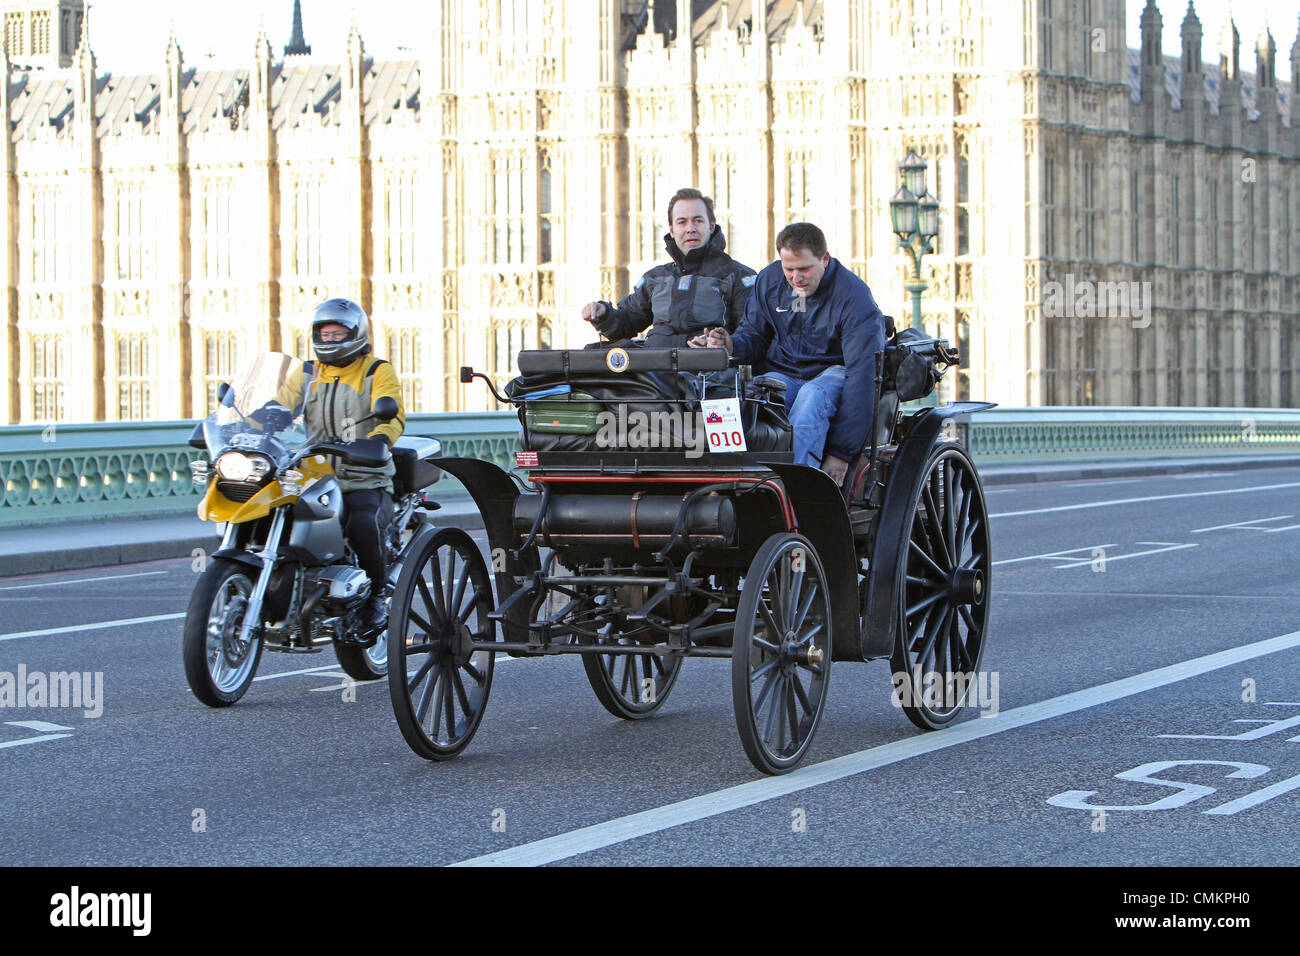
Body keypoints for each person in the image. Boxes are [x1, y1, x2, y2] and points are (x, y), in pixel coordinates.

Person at [691, 222, 887, 486]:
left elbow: (863, 376)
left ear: (825, 259)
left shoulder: (854, 298)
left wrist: (840, 454)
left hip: (834, 373)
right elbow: (755, 335)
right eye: (789, 269)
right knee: (742, 397)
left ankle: (795, 492)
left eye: (804, 268)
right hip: (784, 373)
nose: (796, 278)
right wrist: (730, 345)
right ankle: (727, 483)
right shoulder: (770, 281)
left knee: (811, 398)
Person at [276, 298, 406, 634]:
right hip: (313, 477)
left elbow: (392, 414)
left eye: (338, 333)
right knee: (274, 516)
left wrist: (378, 439)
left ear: (356, 333)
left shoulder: (376, 370)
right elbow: (278, 408)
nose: (331, 339)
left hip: (363, 476)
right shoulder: (306, 373)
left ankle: (376, 595)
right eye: (325, 333)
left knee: (362, 523)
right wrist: (251, 422)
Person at [580, 187, 756, 348]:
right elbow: (625, 323)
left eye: (698, 221)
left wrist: (727, 343)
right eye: (682, 222)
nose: (690, 229)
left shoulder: (739, 277)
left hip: (708, 376)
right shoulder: (655, 278)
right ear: (671, 230)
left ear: (711, 226)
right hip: (653, 375)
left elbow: (753, 336)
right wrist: (603, 315)